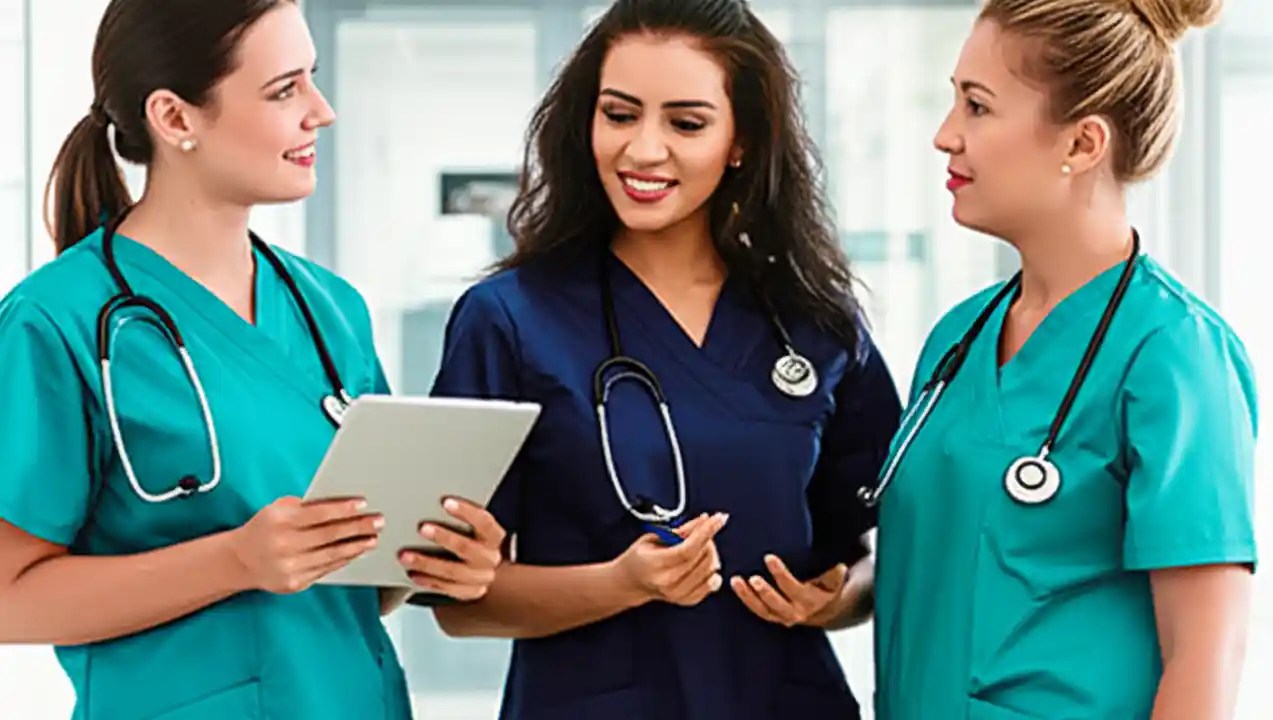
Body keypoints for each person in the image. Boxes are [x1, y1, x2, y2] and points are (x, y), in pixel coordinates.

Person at [0, 2, 504, 718]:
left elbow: (351, 576)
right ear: (175, 119)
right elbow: (9, 599)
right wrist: (234, 560)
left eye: (313, 80)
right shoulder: (57, 322)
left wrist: (436, 561)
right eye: (283, 90)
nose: (321, 112)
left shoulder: (329, 308)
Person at [424, 0, 903, 718]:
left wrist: (830, 602)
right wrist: (624, 583)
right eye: (619, 115)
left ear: (741, 141)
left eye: (686, 123)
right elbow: (457, 601)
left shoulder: (813, 323)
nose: (643, 151)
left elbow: (874, 553)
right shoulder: (509, 320)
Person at [869, 1, 1256, 718]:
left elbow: (1205, 658)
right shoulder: (958, 340)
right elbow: (965, 564)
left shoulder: (1176, 355)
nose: (945, 135)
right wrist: (845, 591)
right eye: (954, 99)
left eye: (978, 107)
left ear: (1082, 144)